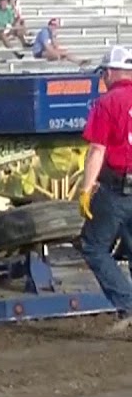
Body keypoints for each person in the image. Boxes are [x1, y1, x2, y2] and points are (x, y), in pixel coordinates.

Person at [77, 45, 132, 336]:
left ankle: (128, 305)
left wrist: (86, 189)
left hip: (117, 187)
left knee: (93, 245)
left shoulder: (108, 102)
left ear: (110, 72)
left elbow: (97, 150)